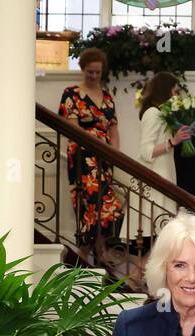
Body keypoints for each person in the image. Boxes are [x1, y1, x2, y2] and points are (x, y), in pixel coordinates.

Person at [60, 48, 124, 260]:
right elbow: (71, 127)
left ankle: (86, 253)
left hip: (104, 159)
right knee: (93, 204)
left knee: (107, 207)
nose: (94, 76)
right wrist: (94, 141)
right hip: (82, 158)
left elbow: (113, 129)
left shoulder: (107, 97)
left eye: (98, 72)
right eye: (90, 72)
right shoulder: (72, 94)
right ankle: (94, 252)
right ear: (83, 69)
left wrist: (114, 153)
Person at [138, 72, 195, 232]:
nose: (177, 95)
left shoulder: (162, 114)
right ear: (166, 90)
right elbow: (146, 151)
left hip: (164, 175)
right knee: (152, 235)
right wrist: (172, 141)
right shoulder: (153, 113)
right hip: (155, 177)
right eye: (175, 91)